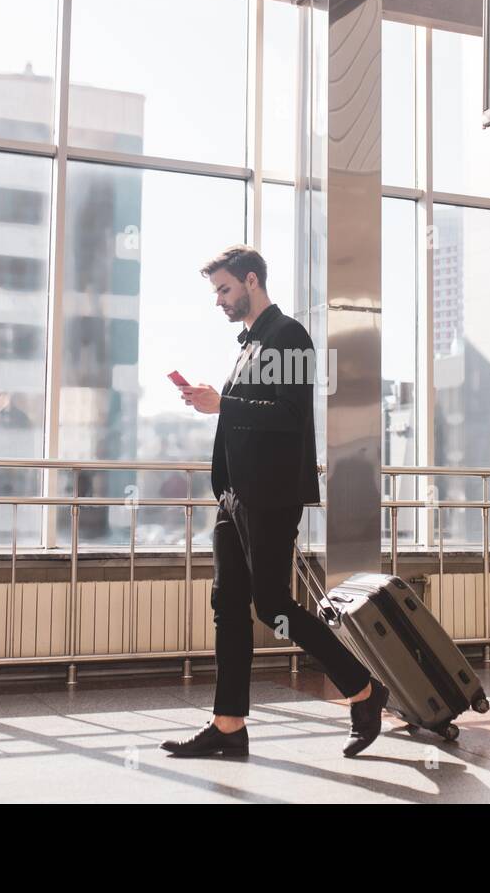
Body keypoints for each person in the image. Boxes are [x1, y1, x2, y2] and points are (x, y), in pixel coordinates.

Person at [159, 244, 389, 759]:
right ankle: (228, 725)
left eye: (224, 288)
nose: (219, 300)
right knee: (229, 608)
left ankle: (363, 689)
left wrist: (224, 404)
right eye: (216, 291)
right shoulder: (248, 345)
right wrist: (213, 402)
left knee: (274, 606)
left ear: (252, 280)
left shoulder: (289, 336)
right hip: (236, 495)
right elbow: (248, 411)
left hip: (271, 495)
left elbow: (289, 414)